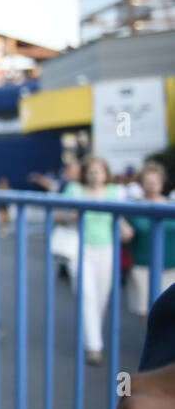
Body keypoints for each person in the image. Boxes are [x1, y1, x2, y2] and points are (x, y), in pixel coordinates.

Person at [58, 155, 133, 365]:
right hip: (80, 249)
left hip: (106, 249)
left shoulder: (115, 193)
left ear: (105, 174)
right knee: (86, 295)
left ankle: (92, 336)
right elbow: (57, 214)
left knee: (101, 297)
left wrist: (126, 229)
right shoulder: (74, 190)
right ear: (85, 174)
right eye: (91, 171)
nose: (94, 175)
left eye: (98, 171)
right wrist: (72, 215)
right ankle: (94, 347)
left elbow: (120, 219)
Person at [127, 161, 175, 319]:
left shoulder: (171, 205)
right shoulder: (133, 207)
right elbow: (125, 231)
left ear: (162, 183)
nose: (152, 185)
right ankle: (151, 343)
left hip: (170, 265)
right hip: (142, 264)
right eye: (148, 182)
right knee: (146, 310)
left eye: (155, 182)